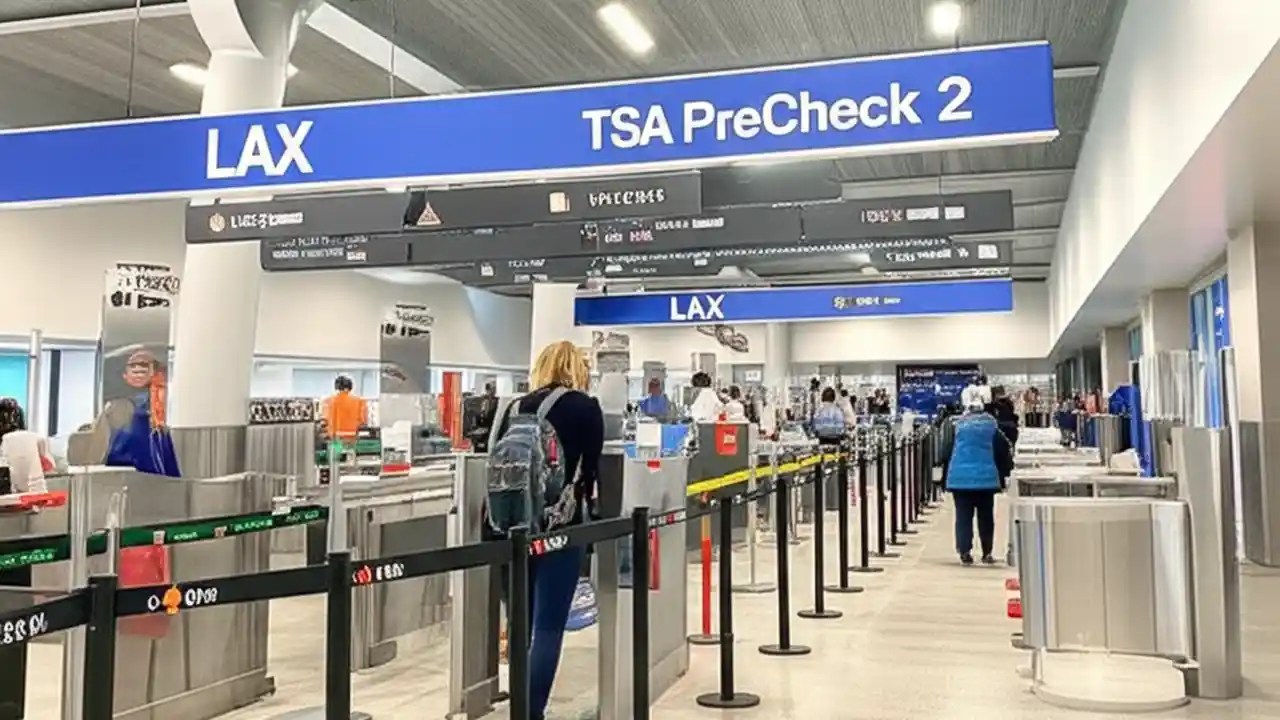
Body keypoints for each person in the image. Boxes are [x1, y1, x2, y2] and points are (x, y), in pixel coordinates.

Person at [491, 340, 604, 720]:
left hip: (511, 527)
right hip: (561, 526)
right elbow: (590, 472)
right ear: (578, 369)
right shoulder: (585, 407)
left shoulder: (513, 407)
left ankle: (518, 707)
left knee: (519, 624)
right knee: (549, 627)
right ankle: (530, 712)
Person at [939, 399, 1013, 566]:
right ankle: (987, 552)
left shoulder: (957, 426)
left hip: (960, 479)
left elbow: (946, 451)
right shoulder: (992, 426)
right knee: (986, 516)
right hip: (986, 479)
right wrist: (1003, 473)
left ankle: (965, 551)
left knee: (963, 516)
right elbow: (1003, 451)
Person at [323, 375, 368, 441]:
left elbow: (325, 420)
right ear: (350, 387)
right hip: (352, 437)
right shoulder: (360, 401)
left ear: (336, 387)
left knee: (336, 448)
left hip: (335, 438)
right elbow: (364, 421)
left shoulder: (328, 401)